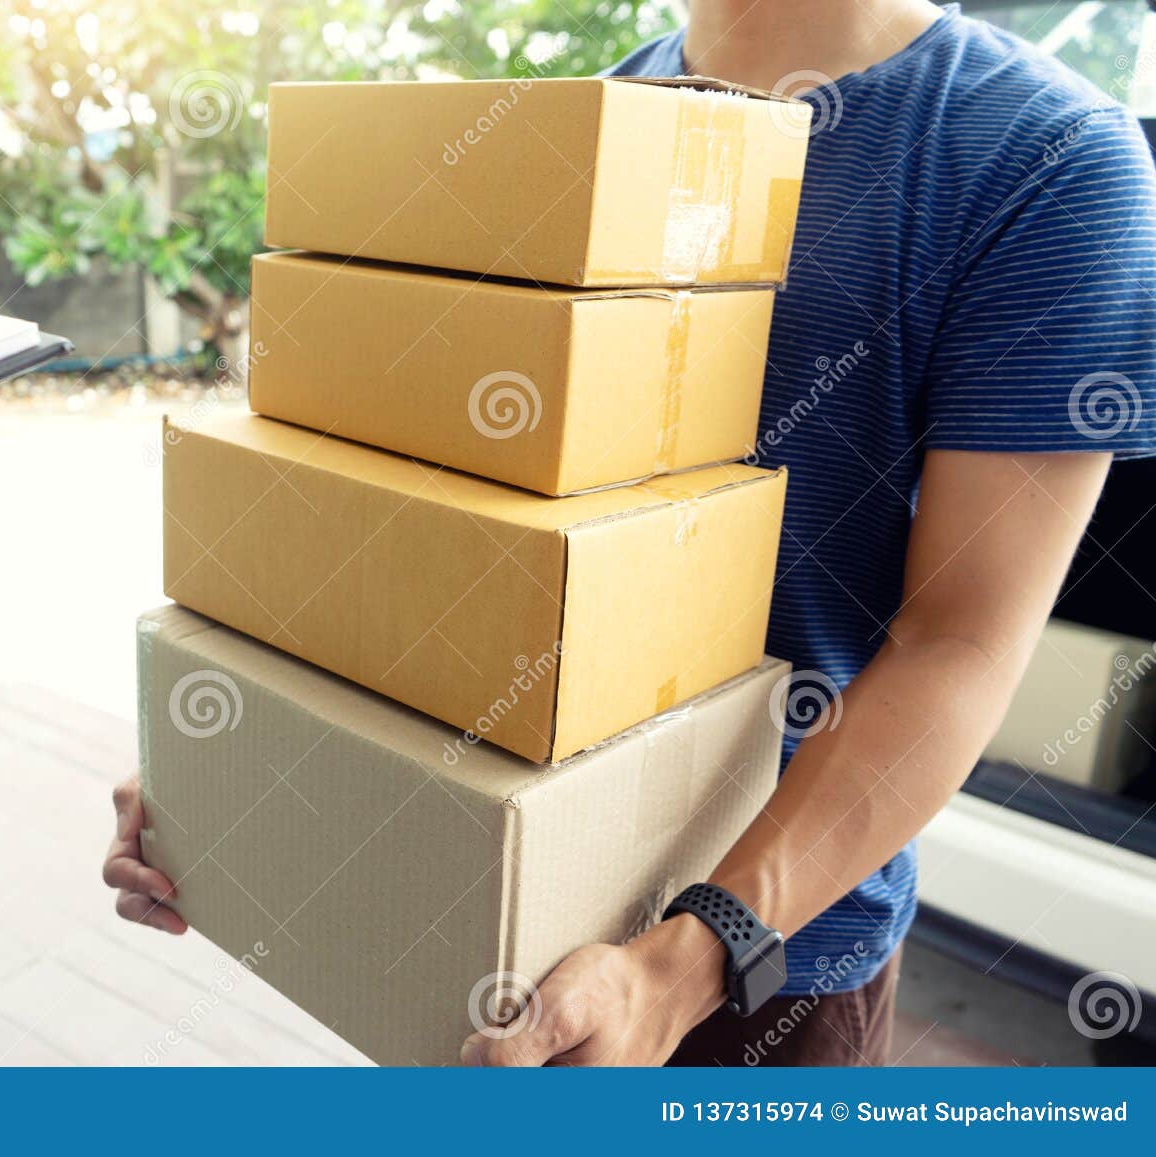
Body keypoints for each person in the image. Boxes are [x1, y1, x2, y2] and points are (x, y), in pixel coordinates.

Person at [106, 0, 1156, 1065]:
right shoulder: (581, 127)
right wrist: (235, 750)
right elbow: (424, 516)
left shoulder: (1044, 156)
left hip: (762, 977)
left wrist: (689, 959)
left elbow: (962, 642)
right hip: (498, 912)